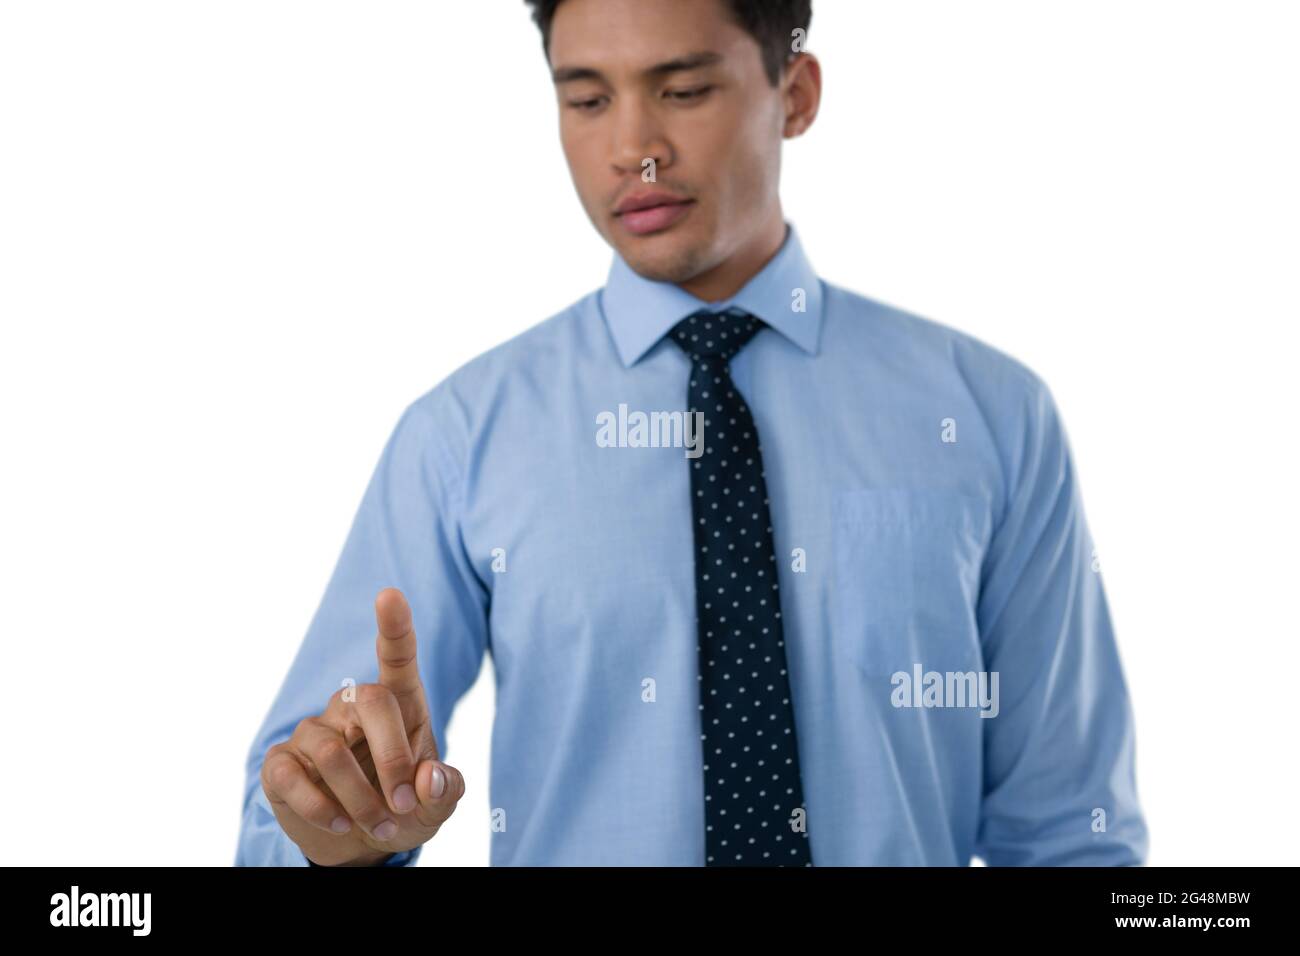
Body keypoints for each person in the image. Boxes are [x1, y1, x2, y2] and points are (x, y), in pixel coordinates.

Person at [236, 0, 1148, 867]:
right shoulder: (461, 436)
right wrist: (342, 839)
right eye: (588, 99)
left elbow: (1072, 831)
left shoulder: (991, 416)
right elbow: (296, 803)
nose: (633, 150)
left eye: (682, 90)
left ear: (794, 94)